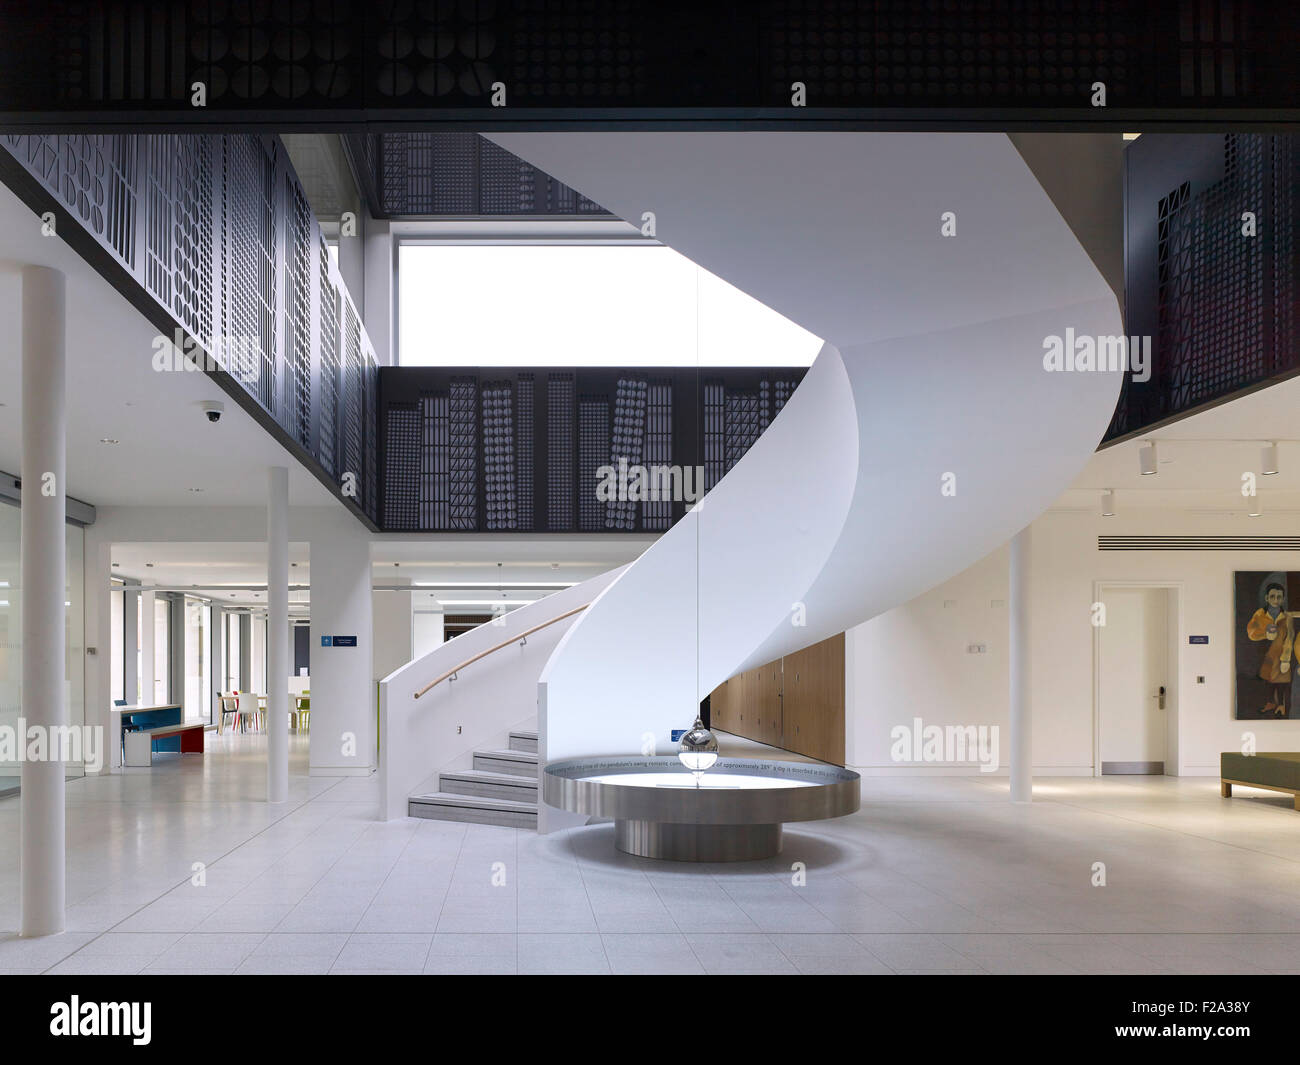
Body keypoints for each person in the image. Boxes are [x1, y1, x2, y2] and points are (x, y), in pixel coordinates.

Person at [1246, 582, 1297, 717]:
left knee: (1281, 681)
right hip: (1265, 654)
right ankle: (1270, 703)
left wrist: (1286, 658)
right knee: (1267, 679)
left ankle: (1281, 705)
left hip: (1281, 655)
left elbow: (1290, 636)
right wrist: (1264, 634)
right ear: (1266, 598)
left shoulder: (1287, 617)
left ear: (1283, 599)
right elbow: (1251, 632)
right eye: (1272, 596)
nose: (1276, 600)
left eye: (1279, 597)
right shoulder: (1260, 615)